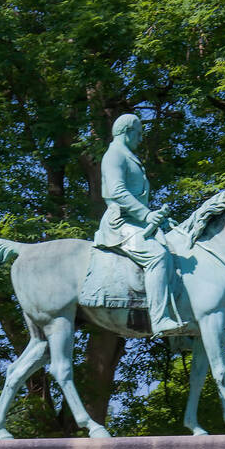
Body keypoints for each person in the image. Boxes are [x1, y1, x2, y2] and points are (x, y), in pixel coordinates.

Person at [93, 113, 184, 335]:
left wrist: (156, 218)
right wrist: (146, 215)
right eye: (139, 134)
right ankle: (159, 319)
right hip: (120, 222)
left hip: (136, 221)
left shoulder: (127, 155)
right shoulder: (114, 155)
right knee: (157, 256)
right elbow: (117, 191)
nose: (141, 139)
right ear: (127, 131)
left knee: (174, 250)